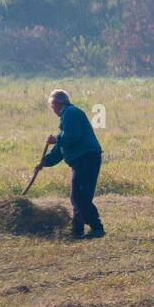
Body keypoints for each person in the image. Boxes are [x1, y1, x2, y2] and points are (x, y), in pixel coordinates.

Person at [34, 89, 105, 239]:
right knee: (80, 196)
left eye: (52, 106)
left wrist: (57, 139)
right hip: (83, 160)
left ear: (57, 103)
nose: (53, 110)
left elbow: (72, 136)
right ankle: (76, 231)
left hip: (86, 158)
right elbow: (60, 150)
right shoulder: (67, 117)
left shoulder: (71, 113)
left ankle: (96, 227)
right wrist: (43, 162)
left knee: (78, 197)